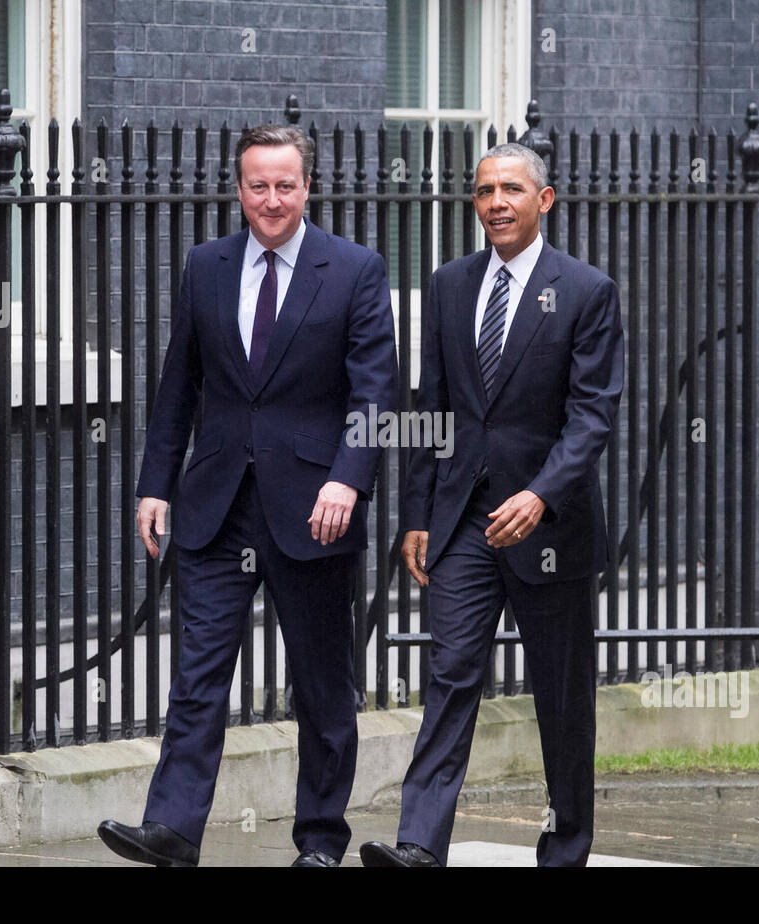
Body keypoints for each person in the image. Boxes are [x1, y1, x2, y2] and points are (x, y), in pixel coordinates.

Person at [98, 124, 398, 867]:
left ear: (308, 188)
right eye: (257, 185)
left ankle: (321, 841)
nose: (271, 199)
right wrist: (154, 486)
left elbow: (376, 392)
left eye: (285, 185)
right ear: (239, 189)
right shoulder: (207, 265)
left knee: (322, 687)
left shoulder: (356, 269)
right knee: (198, 674)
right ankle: (171, 829)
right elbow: (180, 385)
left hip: (314, 510)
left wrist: (347, 478)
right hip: (217, 504)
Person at [360, 142, 624, 868]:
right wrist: (416, 513)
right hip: (463, 524)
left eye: (511, 189)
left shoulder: (586, 290)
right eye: (483, 192)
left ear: (545, 201)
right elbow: (433, 407)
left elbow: (592, 417)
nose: (496, 203)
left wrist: (540, 496)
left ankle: (565, 846)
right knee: (449, 677)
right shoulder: (449, 285)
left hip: (549, 529)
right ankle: (418, 843)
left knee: (561, 700)